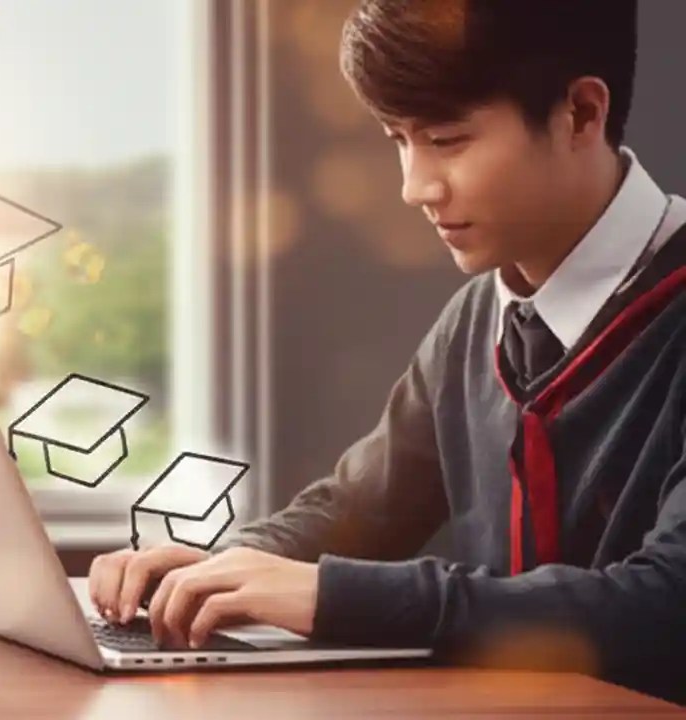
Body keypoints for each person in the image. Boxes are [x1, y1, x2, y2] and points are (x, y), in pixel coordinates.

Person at [88, 0, 686, 704]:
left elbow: (665, 604)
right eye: (399, 139)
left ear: (581, 114)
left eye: (448, 139)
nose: (414, 187)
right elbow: (361, 508)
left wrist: (331, 595)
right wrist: (222, 567)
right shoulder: (478, 320)